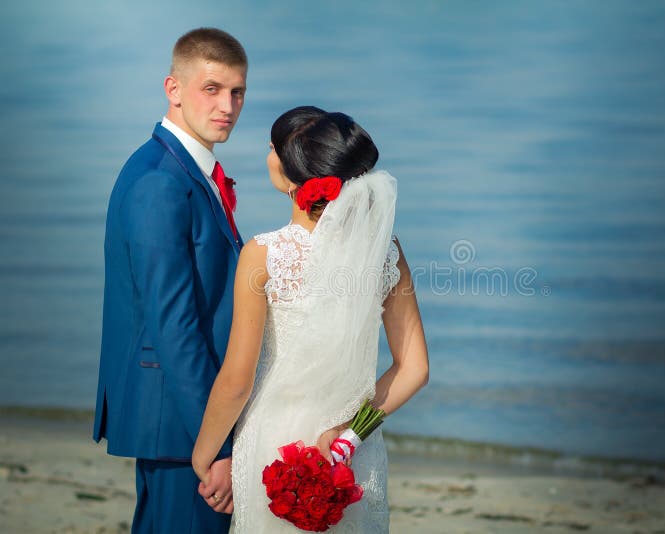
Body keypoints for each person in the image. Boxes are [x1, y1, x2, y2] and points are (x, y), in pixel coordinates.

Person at [191, 106, 430, 532]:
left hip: (273, 442)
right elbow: (414, 368)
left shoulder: (263, 256)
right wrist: (348, 436)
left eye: (271, 148)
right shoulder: (384, 253)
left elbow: (237, 380)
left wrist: (203, 454)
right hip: (349, 450)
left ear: (291, 173)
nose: (266, 155)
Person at [93, 28, 247, 532]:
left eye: (237, 91)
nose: (227, 105)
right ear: (173, 89)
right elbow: (174, 325)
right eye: (212, 89)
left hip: (182, 418)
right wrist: (217, 443)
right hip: (182, 425)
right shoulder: (161, 180)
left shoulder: (183, 169)